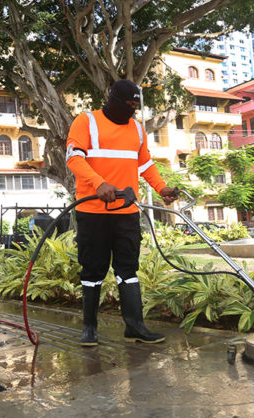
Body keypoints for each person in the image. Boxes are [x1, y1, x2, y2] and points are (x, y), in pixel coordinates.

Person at [66, 79, 178, 346]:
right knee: (92, 271)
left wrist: (162, 188)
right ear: (112, 100)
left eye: (134, 107)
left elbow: (145, 164)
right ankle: (89, 329)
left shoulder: (137, 129)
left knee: (128, 269)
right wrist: (99, 183)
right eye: (126, 105)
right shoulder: (86, 122)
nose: (130, 111)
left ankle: (135, 326)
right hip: (93, 211)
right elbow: (74, 158)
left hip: (126, 212)